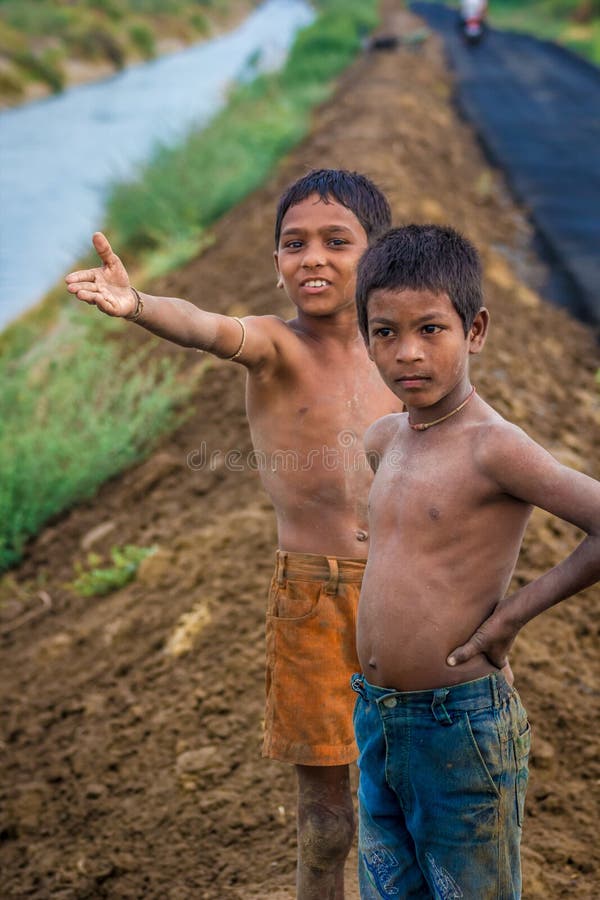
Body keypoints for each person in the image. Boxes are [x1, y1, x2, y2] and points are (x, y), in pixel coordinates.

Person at [65, 169, 402, 900]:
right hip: (313, 602)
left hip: (407, 594)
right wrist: (140, 304)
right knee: (326, 823)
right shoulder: (276, 347)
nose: (311, 257)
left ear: (377, 255)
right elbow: (207, 325)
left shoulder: (402, 356)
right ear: (277, 267)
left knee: (407, 799)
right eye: (293, 244)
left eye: (335, 241)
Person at [351, 224, 600, 898]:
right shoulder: (383, 439)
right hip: (377, 719)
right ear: (366, 337)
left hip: (457, 728)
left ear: (476, 329)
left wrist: (507, 621)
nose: (407, 353)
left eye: (431, 329)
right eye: (385, 332)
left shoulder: (495, 447)